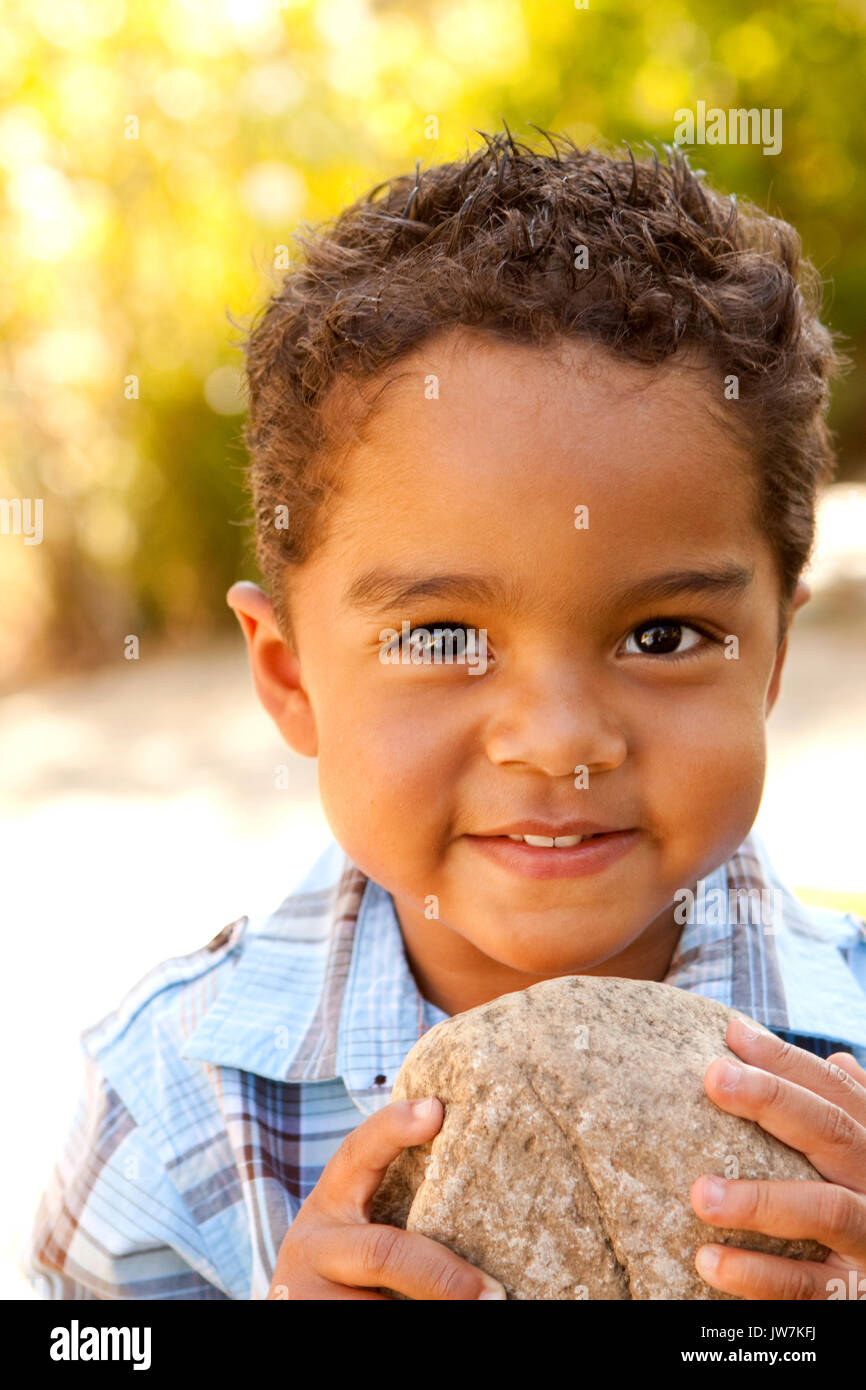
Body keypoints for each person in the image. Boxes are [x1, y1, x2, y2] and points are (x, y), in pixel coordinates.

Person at [23, 130, 866, 1301]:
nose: (559, 740)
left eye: (662, 636)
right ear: (289, 675)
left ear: (769, 658)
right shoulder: (179, 1108)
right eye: (441, 639)